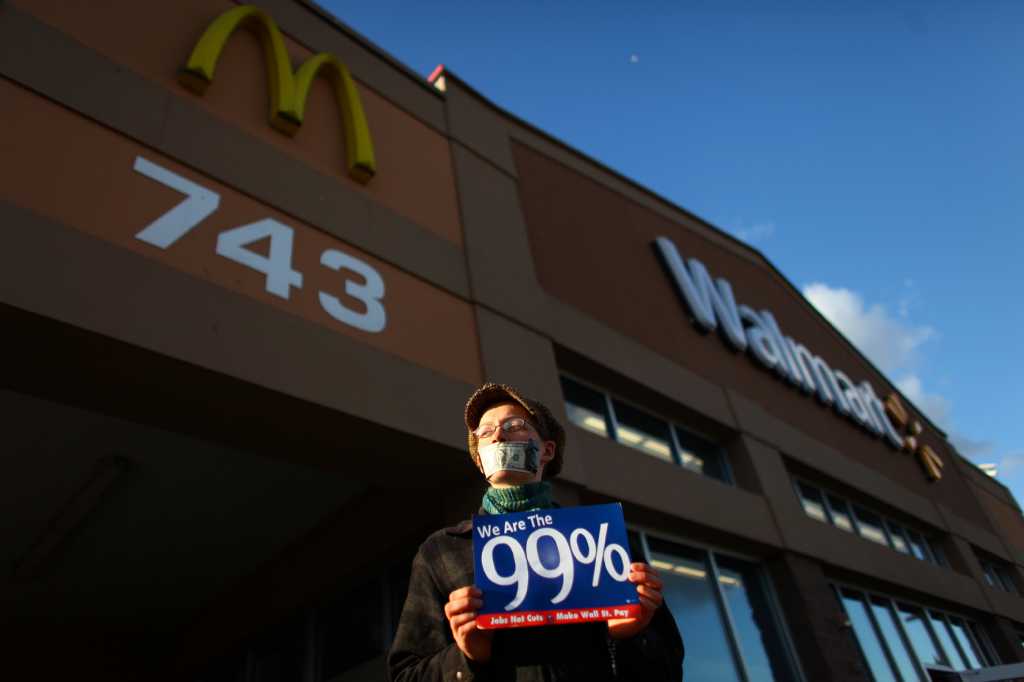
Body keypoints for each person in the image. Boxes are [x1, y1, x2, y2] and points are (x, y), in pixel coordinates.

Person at [387, 383, 684, 681]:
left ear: (547, 450)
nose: (499, 435)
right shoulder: (442, 550)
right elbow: (406, 675)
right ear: (479, 460)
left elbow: (669, 669)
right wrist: (467, 658)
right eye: (485, 433)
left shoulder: (604, 543)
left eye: (514, 425)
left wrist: (628, 636)